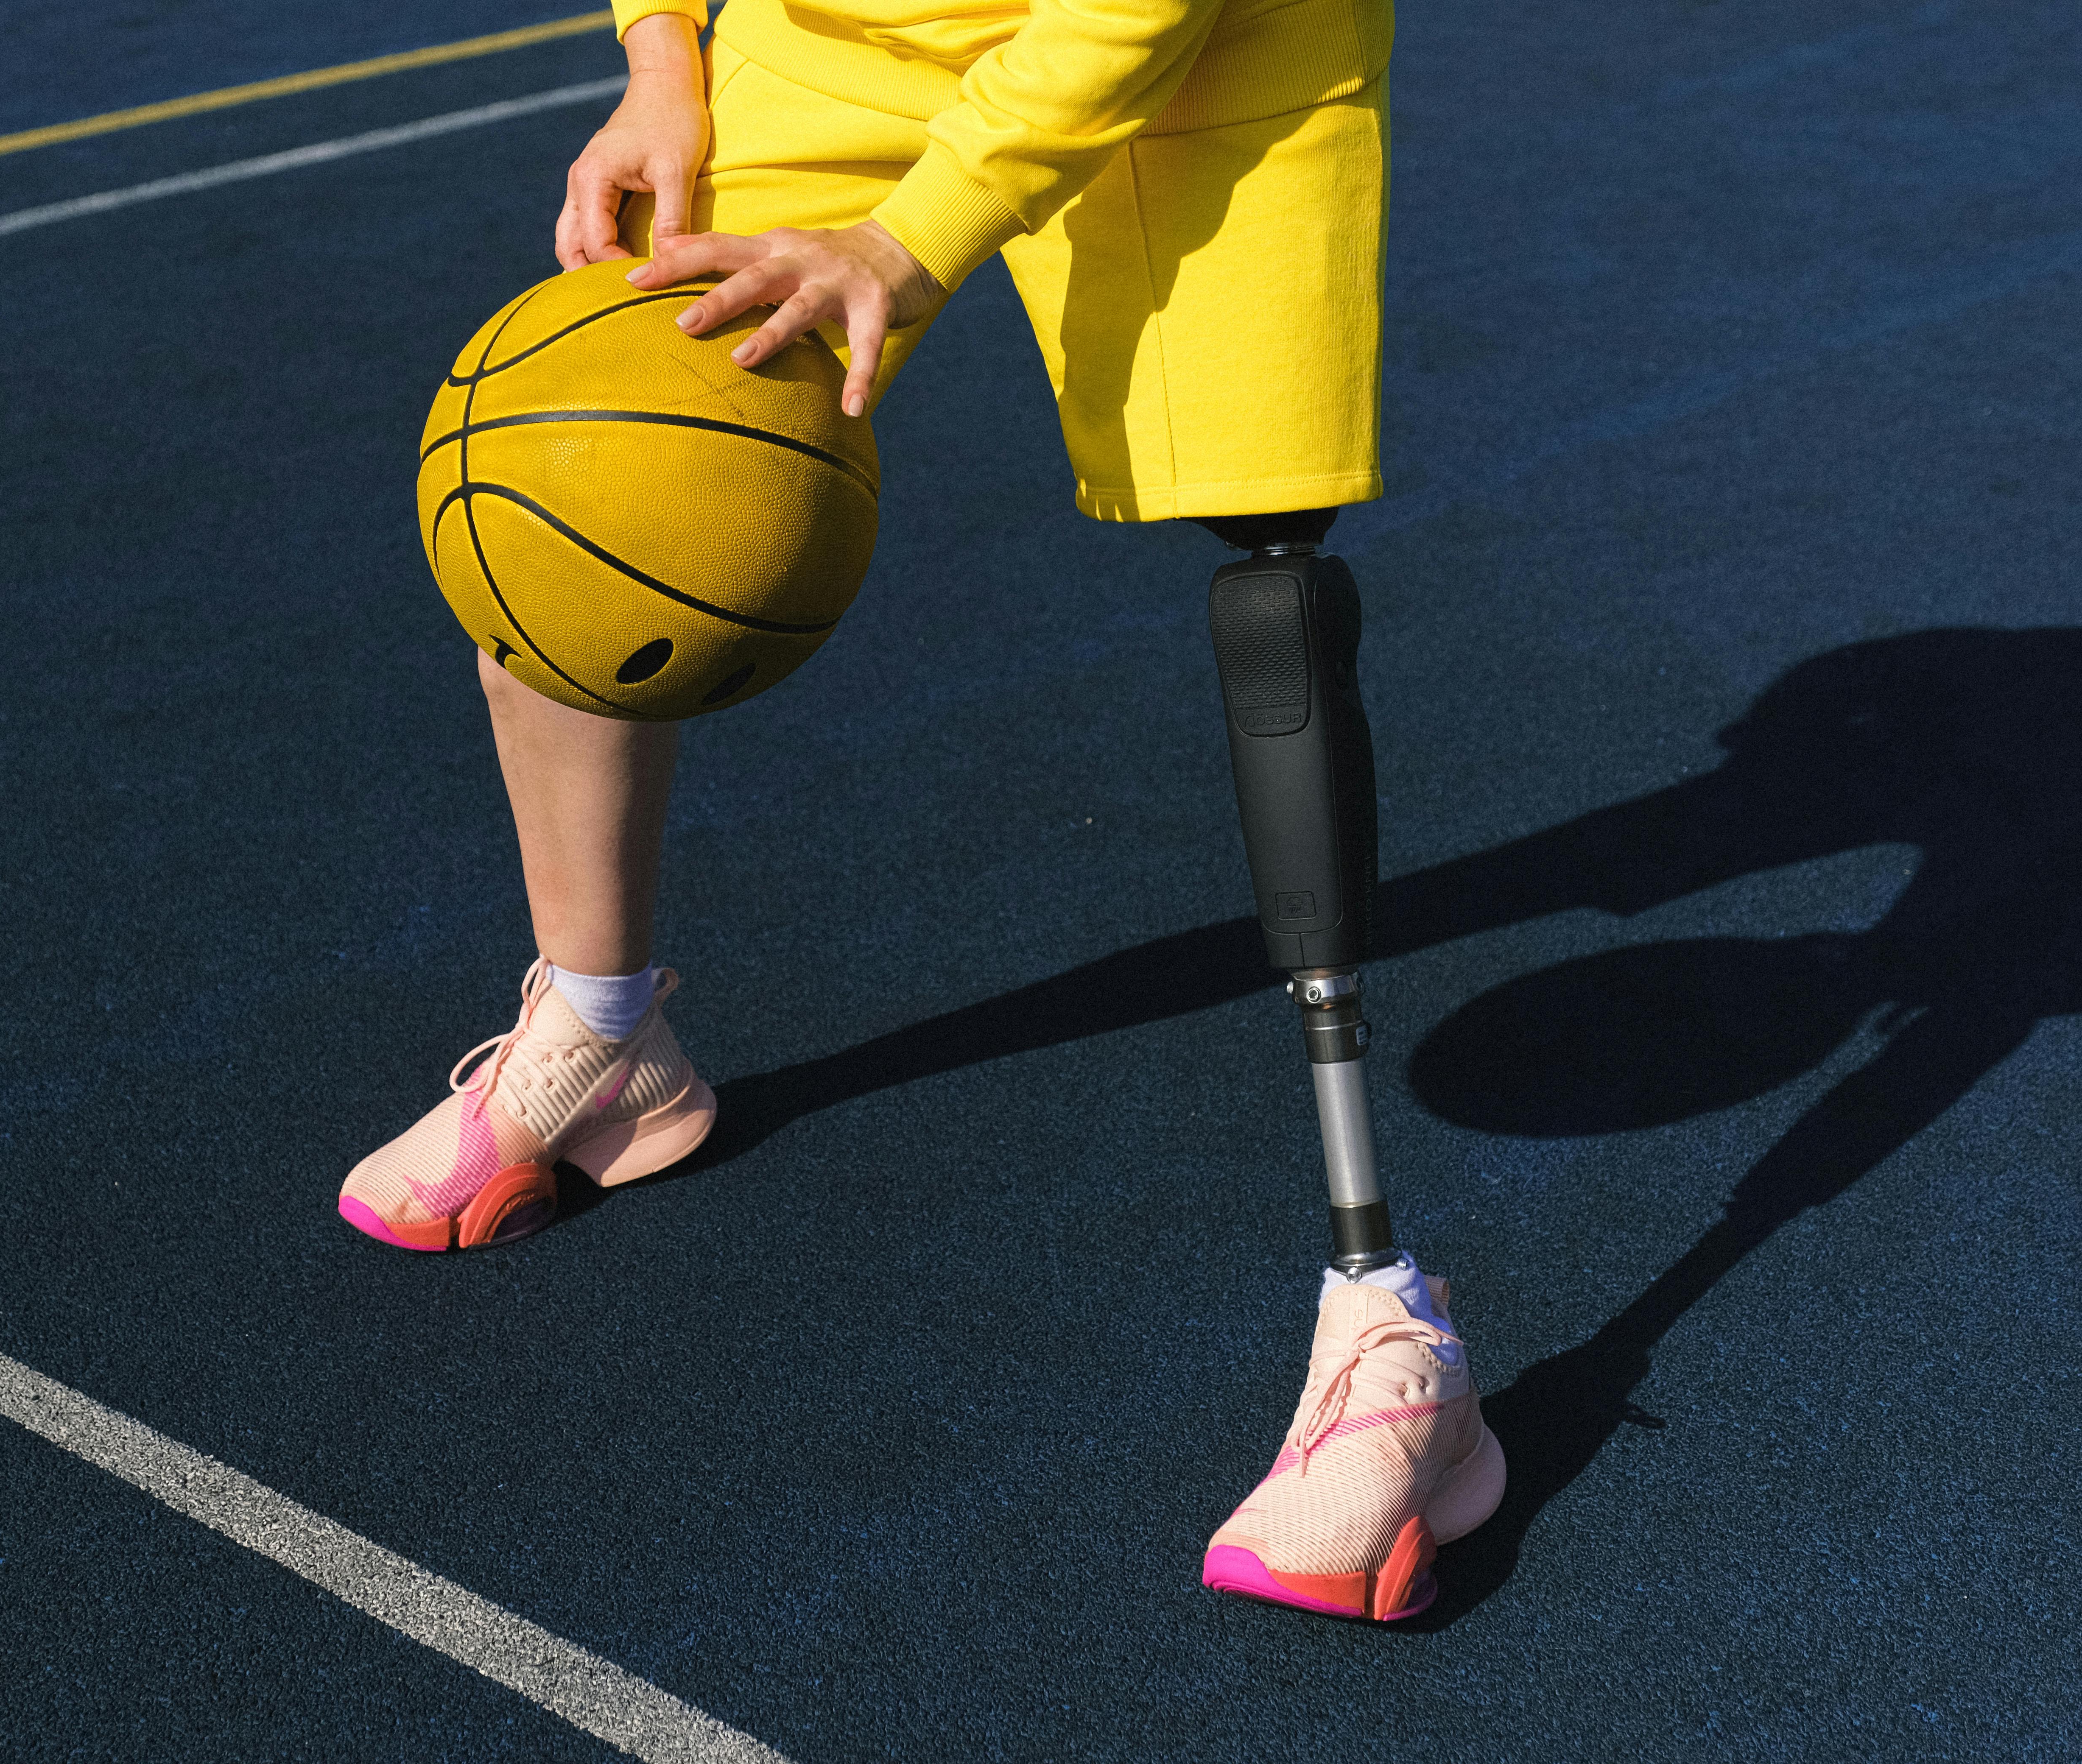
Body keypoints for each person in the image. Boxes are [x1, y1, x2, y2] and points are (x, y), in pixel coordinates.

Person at [340, 0, 1505, 1622]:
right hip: (847, 31)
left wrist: (912, 239)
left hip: (1209, 51)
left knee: (1273, 587)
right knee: (569, 478)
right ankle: (606, 1039)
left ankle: (1395, 1339)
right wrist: (661, 56)